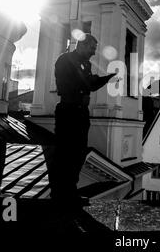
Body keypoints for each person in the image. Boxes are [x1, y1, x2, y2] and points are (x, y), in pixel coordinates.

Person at [50, 33, 116, 214]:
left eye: (94, 49)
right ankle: (59, 195)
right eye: (91, 48)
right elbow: (82, 83)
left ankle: (70, 193)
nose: (93, 53)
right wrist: (91, 82)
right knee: (65, 154)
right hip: (68, 111)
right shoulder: (65, 60)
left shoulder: (85, 63)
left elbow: (90, 84)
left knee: (78, 154)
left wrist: (106, 78)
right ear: (81, 45)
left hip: (80, 112)